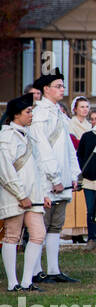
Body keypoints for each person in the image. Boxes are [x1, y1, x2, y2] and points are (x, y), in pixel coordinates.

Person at [29, 69, 81, 283]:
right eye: (58, 86)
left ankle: (53, 269)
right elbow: (42, 150)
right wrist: (55, 178)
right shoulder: (39, 114)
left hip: (62, 178)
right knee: (39, 227)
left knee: (55, 227)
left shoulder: (59, 113)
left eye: (62, 85)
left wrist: (74, 173)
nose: (62, 89)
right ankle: (35, 270)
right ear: (46, 89)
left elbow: (68, 146)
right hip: (45, 180)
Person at [0, 94, 50, 291]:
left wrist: (43, 193)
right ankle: (13, 283)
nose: (31, 115)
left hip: (34, 197)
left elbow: (37, 168)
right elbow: (5, 170)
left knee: (38, 235)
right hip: (15, 196)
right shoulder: (6, 137)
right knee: (11, 237)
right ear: (16, 115)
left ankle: (27, 281)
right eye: (28, 111)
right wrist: (21, 194)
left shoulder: (29, 136)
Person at [76, 108, 96, 248]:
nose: (94, 121)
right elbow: (80, 156)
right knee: (91, 210)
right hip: (89, 180)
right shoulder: (87, 136)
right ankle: (91, 238)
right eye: (92, 119)